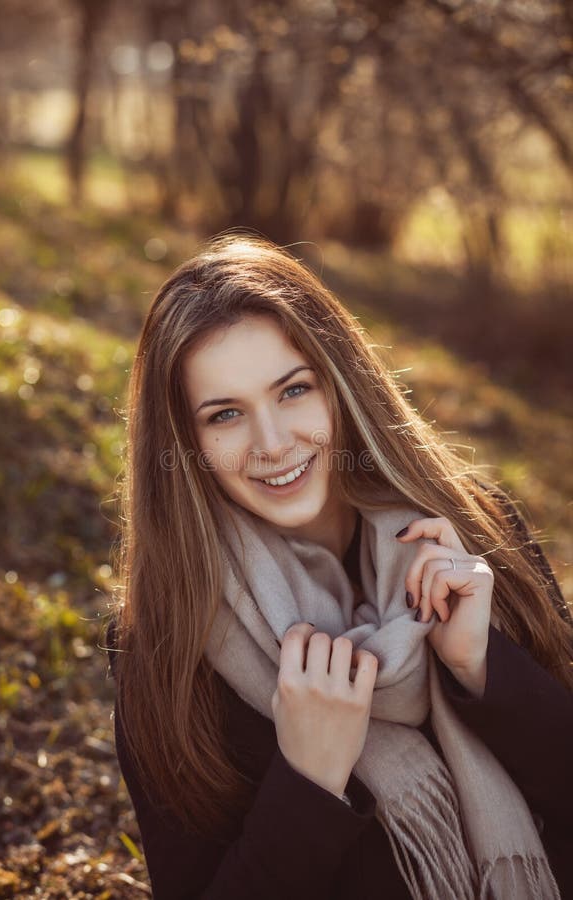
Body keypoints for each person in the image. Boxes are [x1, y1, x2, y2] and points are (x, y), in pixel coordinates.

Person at [104, 233, 573, 900]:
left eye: (294, 391)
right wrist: (307, 779)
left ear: (341, 384)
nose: (272, 444)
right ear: (188, 442)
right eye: (226, 414)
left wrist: (486, 670)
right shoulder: (165, 643)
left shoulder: (473, 534)